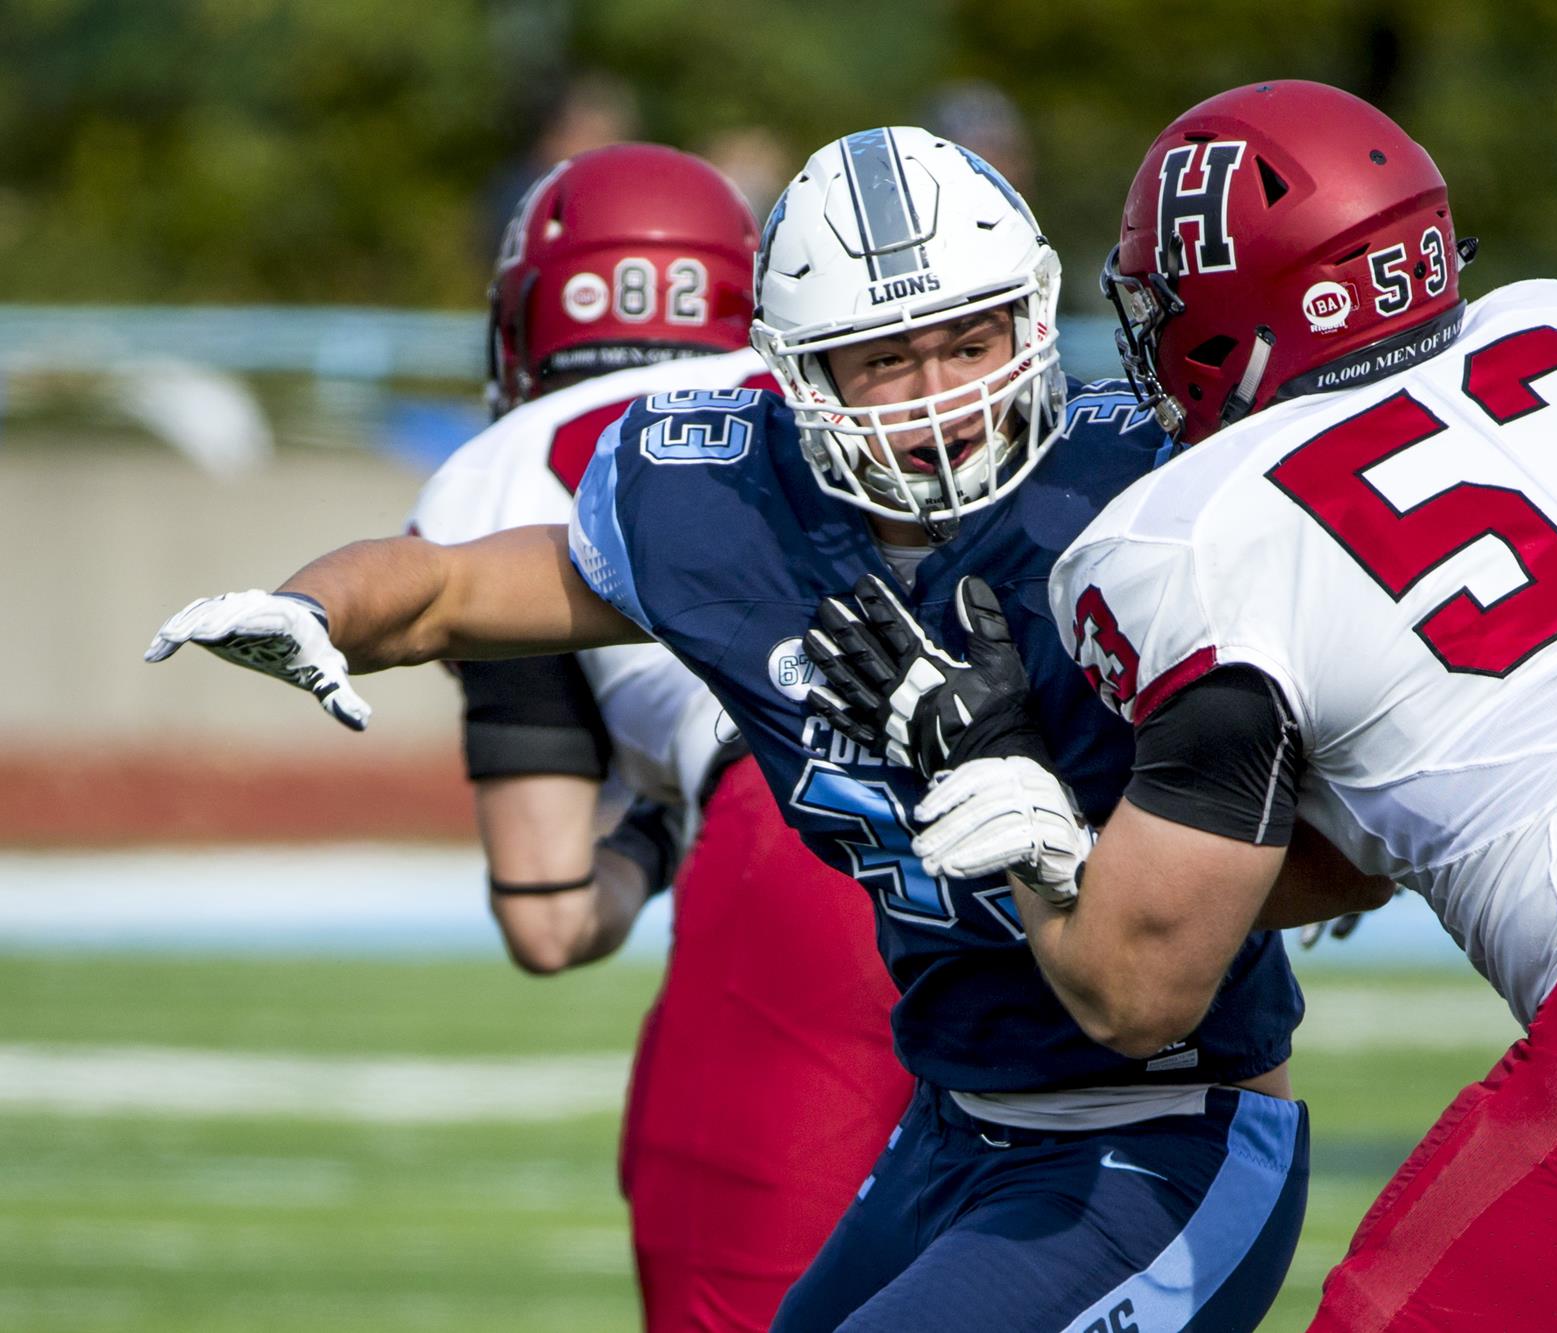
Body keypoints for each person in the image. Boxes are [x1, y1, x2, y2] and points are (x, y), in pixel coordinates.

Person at [811, 82, 1557, 1330]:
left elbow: (1134, 991)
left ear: (1229, 309)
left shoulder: (1193, 523)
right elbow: (1398, 795)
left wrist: (1000, 777)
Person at [146, 128, 1344, 1332]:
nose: (944, 397)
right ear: (794, 371)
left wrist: (1213, 844)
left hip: (1159, 1138)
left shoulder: (1139, 500)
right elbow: (451, 588)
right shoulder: (731, 503)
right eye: (884, 361)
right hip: (955, 1124)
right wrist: (315, 607)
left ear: (1030, 321)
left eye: (969, 342)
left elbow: (1324, 833)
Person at [427, 142, 913, 1332]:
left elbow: (549, 913)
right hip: (1032, 806)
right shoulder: (834, 396)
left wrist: (651, 826)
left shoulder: (512, 473)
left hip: (802, 840)